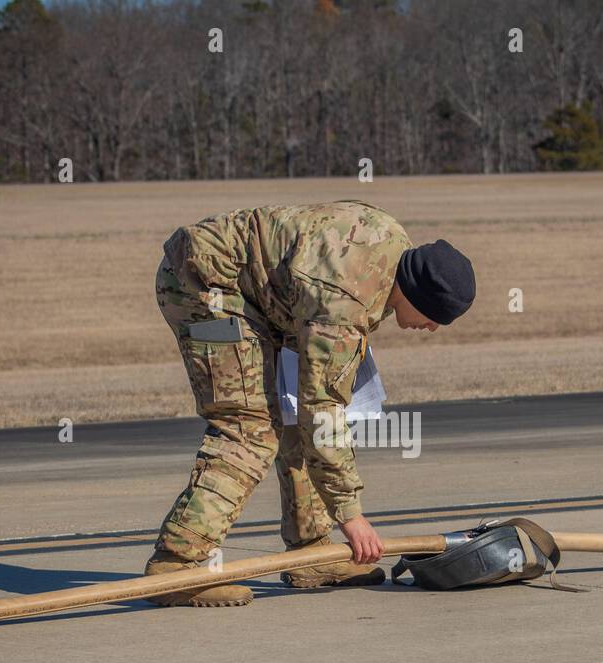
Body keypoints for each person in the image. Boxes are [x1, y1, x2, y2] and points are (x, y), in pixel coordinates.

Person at [145, 200, 476, 607]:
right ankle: (177, 563)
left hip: (263, 297)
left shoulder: (393, 249)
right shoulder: (344, 300)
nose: (433, 328)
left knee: (291, 416)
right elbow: (324, 412)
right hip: (202, 286)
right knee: (249, 430)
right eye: (433, 316)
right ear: (415, 294)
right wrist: (351, 517)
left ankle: (311, 552)